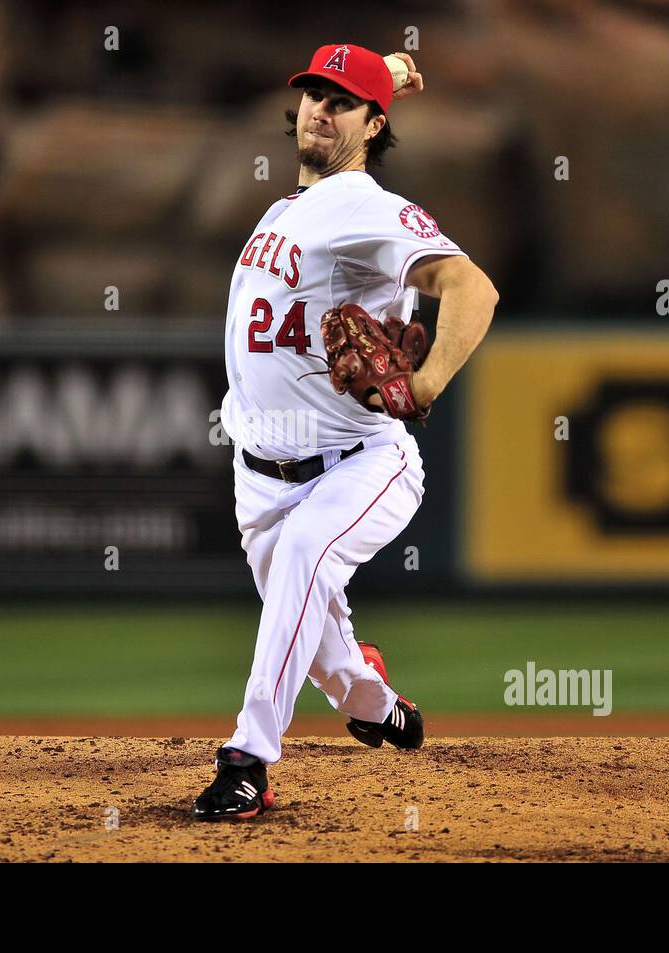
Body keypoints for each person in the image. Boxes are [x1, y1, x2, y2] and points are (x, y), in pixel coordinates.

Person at [193, 43, 499, 820]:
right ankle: (375, 701)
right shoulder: (287, 208)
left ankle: (246, 761)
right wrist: (379, 79)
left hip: (359, 464)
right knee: (325, 649)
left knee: (305, 559)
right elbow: (345, 111)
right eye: (312, 96)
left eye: (340, 101)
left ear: (372, 125)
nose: (319, 110)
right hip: (258, 476)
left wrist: (426, 382)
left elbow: (472, 286)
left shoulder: (370, 207)